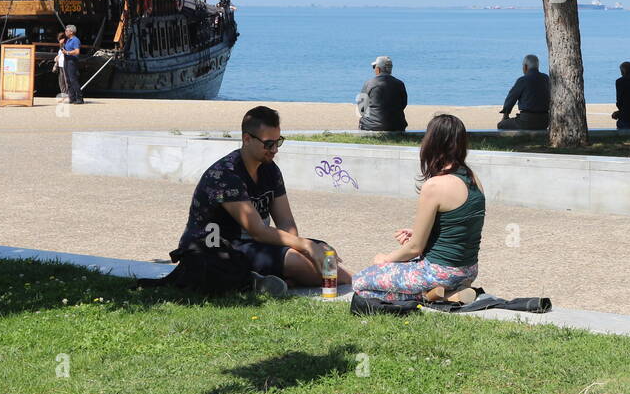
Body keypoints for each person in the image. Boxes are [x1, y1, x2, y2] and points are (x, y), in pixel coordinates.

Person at [177, 106, 352, 294]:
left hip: (251, 245)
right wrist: (304, 246)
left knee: (324, 251)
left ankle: (264, 278)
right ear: (247, 139)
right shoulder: (225, 175)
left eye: (279, 142)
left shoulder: (269, 169)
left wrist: (305, 247)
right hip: (217, 249)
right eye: (269, 144)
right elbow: (258, 231)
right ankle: (257, 279)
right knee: (309, 263)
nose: (275, 150)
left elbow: (286, 222)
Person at [353, 114, 485, 303]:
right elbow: (461, 228)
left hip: (440, 273)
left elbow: (415, 248)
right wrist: (420, 233)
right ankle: (449, 293)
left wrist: (386, 259)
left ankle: (441, 296)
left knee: (360, 283)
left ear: (431, 143)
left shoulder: (434, 186)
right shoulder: (473, 179)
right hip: (468, 271)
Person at [497, 54, 550, 130]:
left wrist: (505, 116)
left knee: (501, 125)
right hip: (545, 121)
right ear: (537, 66)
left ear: (525, 66)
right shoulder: (546, 78)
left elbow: (511, 99)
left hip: (526, 121)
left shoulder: (522, 80)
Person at [358, 55, 408, 131]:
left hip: (372, 126)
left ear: (378, 69)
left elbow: (361, 109)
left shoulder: (369, 84)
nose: (374, 69)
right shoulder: (400, 84)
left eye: (374, 67)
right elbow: (403, 104)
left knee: (362, 120)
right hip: (398, 125)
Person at [61, 24, 84, 104]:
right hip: (66, 60)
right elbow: (63, 50)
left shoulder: (75, 40)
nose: (65, 32)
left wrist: (67, 52)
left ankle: (80, 98)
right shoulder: (67, 40)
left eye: (66, 31)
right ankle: (72, 98)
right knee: (68, 80)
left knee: (73, 79)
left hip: (72, 61)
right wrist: (61, 44)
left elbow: (77, 51)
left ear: (71, 32)